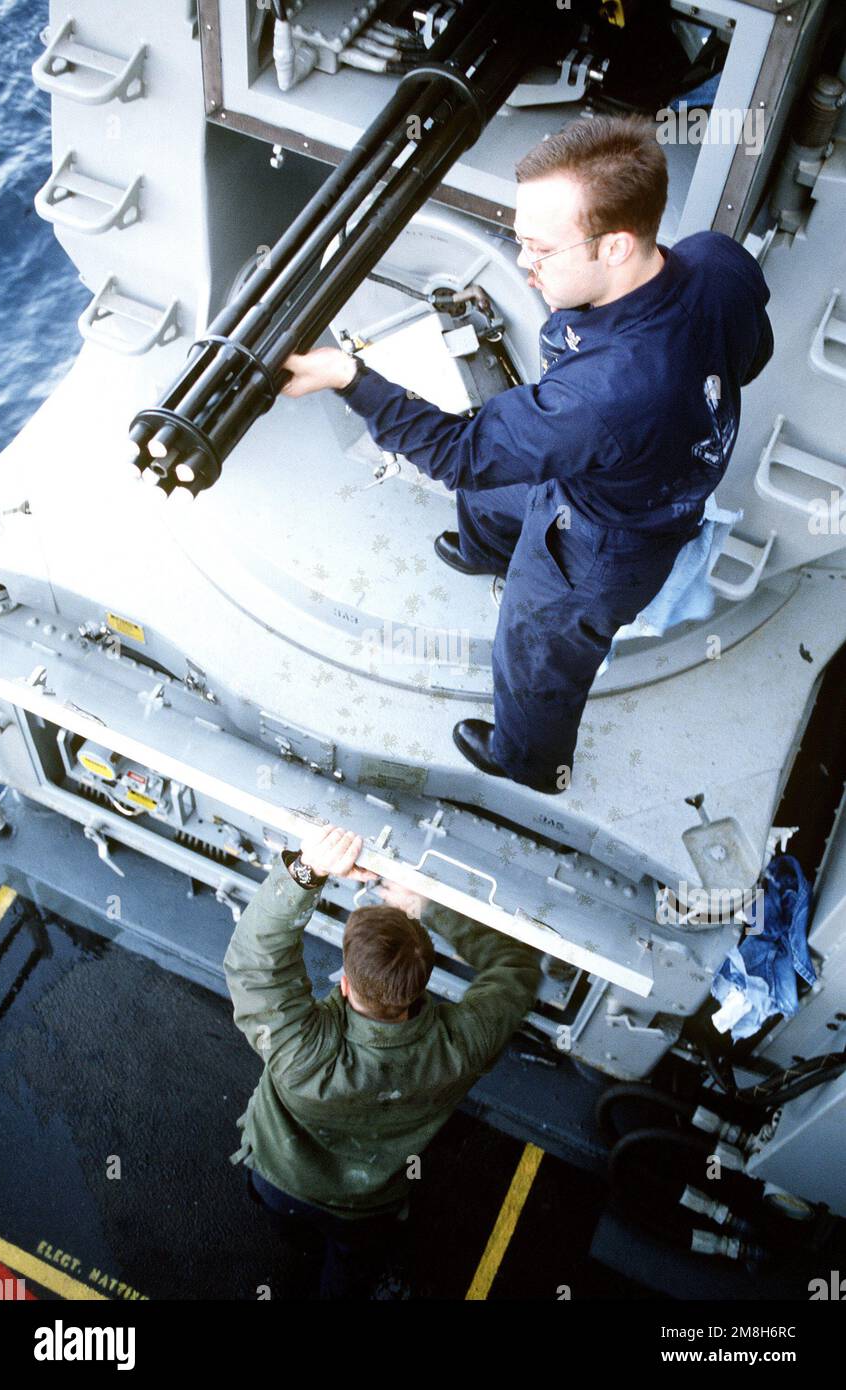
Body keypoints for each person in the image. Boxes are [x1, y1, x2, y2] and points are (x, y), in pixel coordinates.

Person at [281, 114, 774, 795]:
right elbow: (754, 352)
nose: (522, 265)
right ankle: (487, 545)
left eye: (539, 251)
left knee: (536, 647)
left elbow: (459, 452)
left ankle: (530, 759)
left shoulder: (602, 397)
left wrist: (349, 379)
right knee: (492, 494)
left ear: (615, 247)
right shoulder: (718, 259)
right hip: (627, 467)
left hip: (602, 541)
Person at [223, 822, 541, 1299]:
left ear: (346, 984)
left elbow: (256, 961)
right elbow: (516, 968)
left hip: (279, 1181)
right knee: (352, 1268)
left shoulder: (299, 1052)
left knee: (296, 1235)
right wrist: (428, 906)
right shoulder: (462, 1046)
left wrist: (310, 871)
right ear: (422, 984)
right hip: (366, 1207)